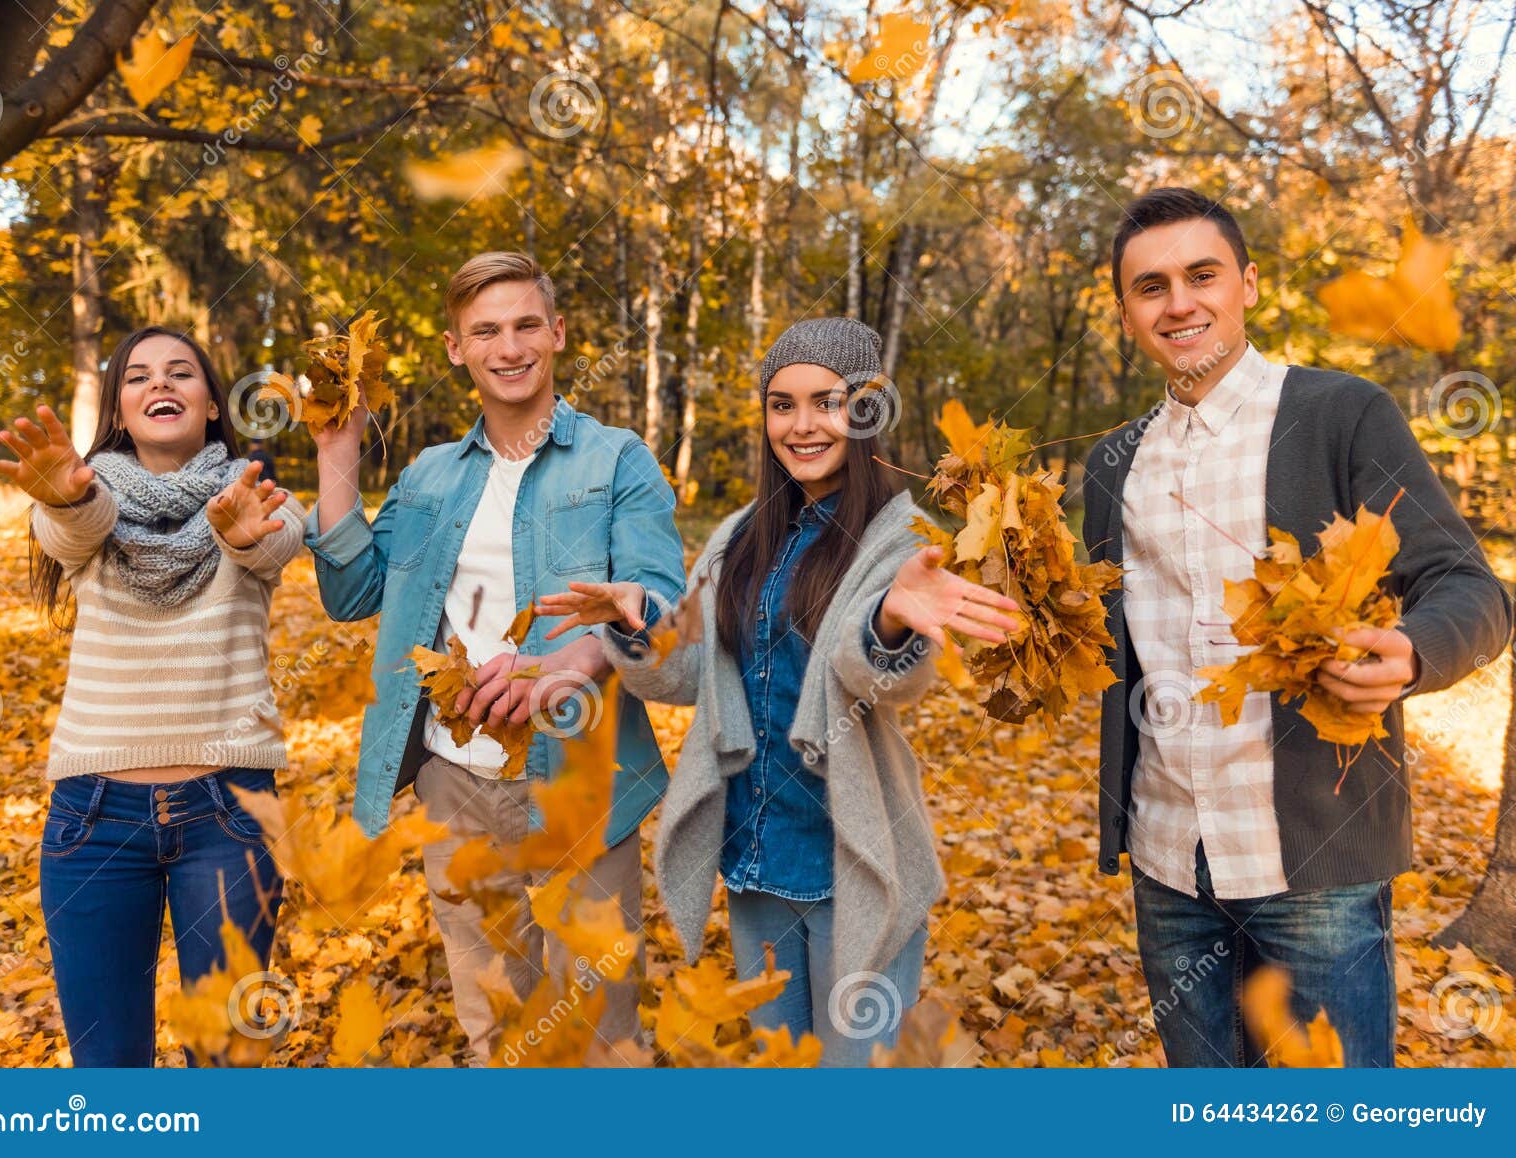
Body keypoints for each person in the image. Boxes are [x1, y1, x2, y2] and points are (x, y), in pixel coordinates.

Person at [1082, 187, 1514, 1067]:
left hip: (1315, 857)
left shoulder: (1341, 415)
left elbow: (1470, 586)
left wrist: (1414, 652)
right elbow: (1094, 630)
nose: (1179, 303)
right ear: (1127, 312)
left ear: (1247, 285)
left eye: (1202, 275)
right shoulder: (1111, 462)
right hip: (1168, 857)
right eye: (1150, 286)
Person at [539, 317, 1021, 1065]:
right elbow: (689, 672)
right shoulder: (740, 534)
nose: (801, 425)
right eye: (781, 404)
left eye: (826, 402)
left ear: (865, 410)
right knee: (782, 1068)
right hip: (757, 853)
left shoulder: (902, 536)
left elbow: (889, 680)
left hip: (853, 859)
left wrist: (891, 621)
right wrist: (640, 627)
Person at [302, 252, 684, 1063]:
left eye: (523, 326)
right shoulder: (430, 474)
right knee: (497, 1027)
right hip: (455, 778)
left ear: (557, 333)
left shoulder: (617, 461)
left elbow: (656, 596)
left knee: (599, 1033)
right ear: (455, 348)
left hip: (583, 777)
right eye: (485, 331)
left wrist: (575, 660)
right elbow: (352, 591)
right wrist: (337, 455)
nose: (508, 347)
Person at [0, 326, 304, 1067]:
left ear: (212, 405)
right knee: (108, 1073)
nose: (161, 384)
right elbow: (75, 531)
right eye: (140, 377)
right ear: (121, 413)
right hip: (93, 823)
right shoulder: (80, 498)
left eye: (182, 373)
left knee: (224, 1063)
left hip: (229, 815)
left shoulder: (254, 497)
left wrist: (247, 537)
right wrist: (68, 500)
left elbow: (276, 542)